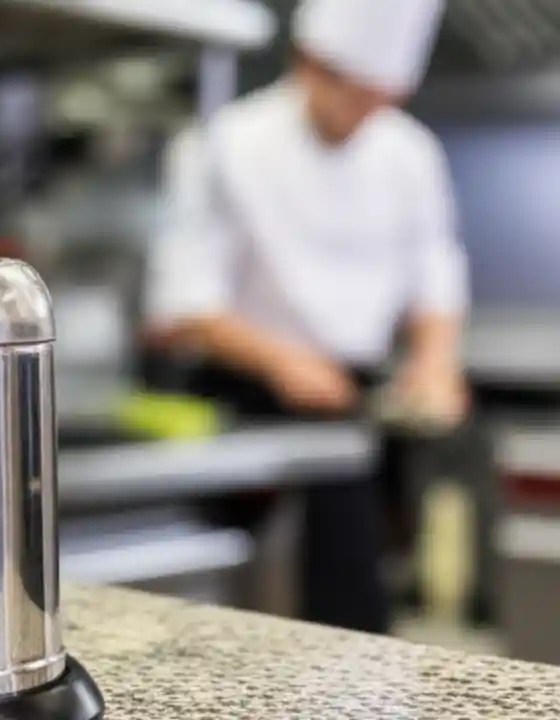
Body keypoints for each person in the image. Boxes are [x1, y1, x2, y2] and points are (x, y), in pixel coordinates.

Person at [147, 0, 468, 633]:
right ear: (311, 64)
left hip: (358, 402)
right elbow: (182, 305)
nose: (371, 114)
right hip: (248, 402)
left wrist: (435, 364)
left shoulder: (409, 152)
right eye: (360, 95)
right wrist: (281, 359)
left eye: (386, 98)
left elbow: (434, 272)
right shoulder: (224, 143)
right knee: (263, 610)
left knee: (365, 595)